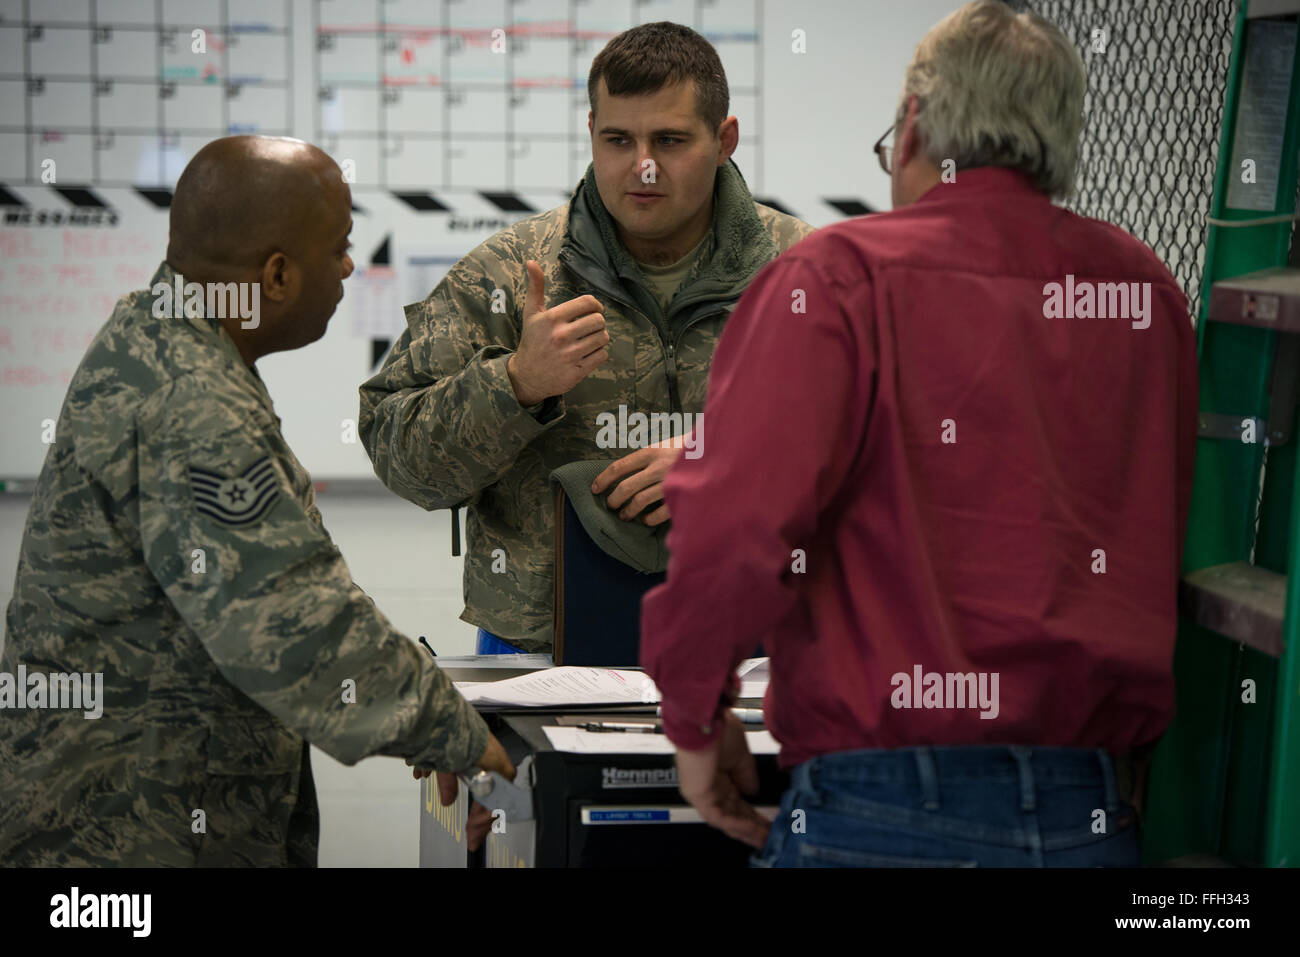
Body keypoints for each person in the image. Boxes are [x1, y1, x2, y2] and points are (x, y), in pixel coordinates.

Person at [640, 0, 1199, 867]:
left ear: (911, 129)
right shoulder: (1142, 294)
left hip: (875, 811)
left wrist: (695, 719)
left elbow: (736, 526)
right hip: (1089, 811)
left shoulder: (835, 279)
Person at [0, 135, 511, 866]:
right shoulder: (192, 399)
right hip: (130, 838)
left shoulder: (161, 336)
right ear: (275, 275)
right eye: (338, 248)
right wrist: (461, 735)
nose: (347, 268)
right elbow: (293, 620)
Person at [359, 22, 813, 655]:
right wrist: (514, 385)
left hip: (762, 647)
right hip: (543, 654)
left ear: (724, 140)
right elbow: (401, 458)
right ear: (592, 136)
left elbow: (897, 450)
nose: (643, 165)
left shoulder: (809, 272)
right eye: (618, 139)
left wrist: (736, 457)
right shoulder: (508, 274)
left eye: (671, 140)